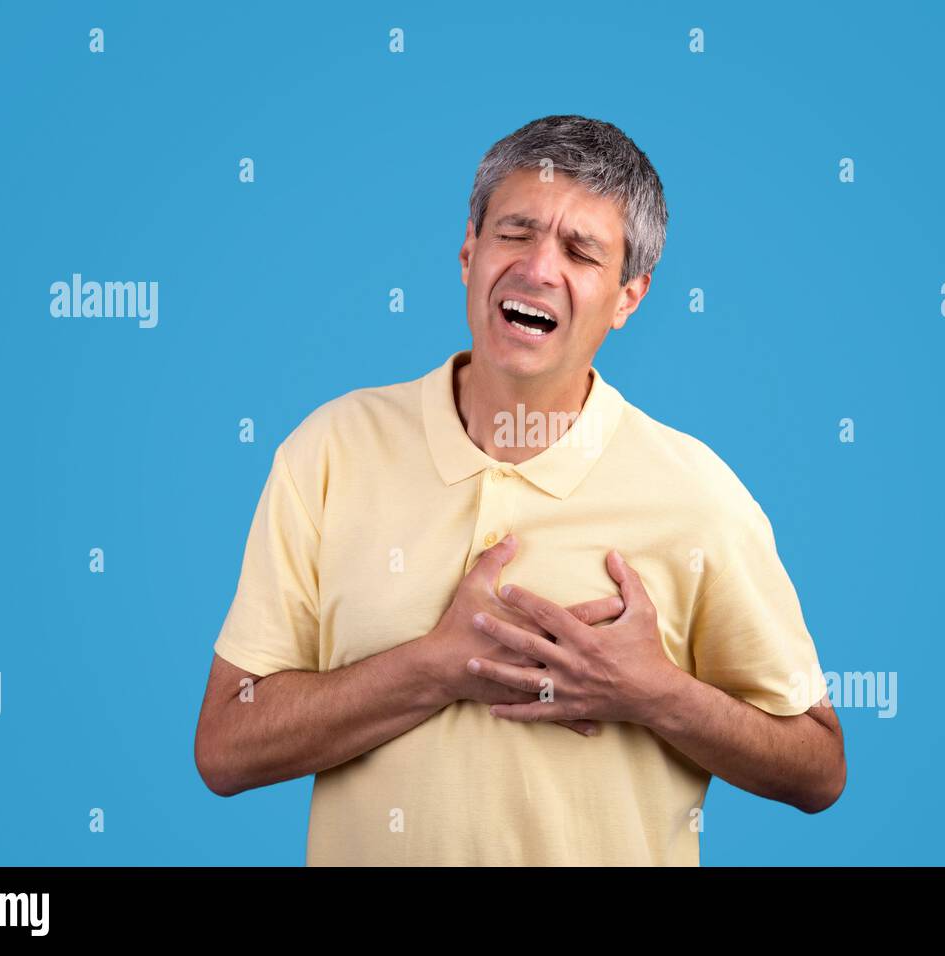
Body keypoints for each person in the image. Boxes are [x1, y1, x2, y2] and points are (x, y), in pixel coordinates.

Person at [193, 114, 845, 865]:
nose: (538, 268)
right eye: (516, 232)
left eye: (581, 251)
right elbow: (225, 746)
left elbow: (818, 767)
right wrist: (433, 667)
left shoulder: (699, 494)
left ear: (629, 297)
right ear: (469, 249)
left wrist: (654, 693)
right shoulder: (330, 450)